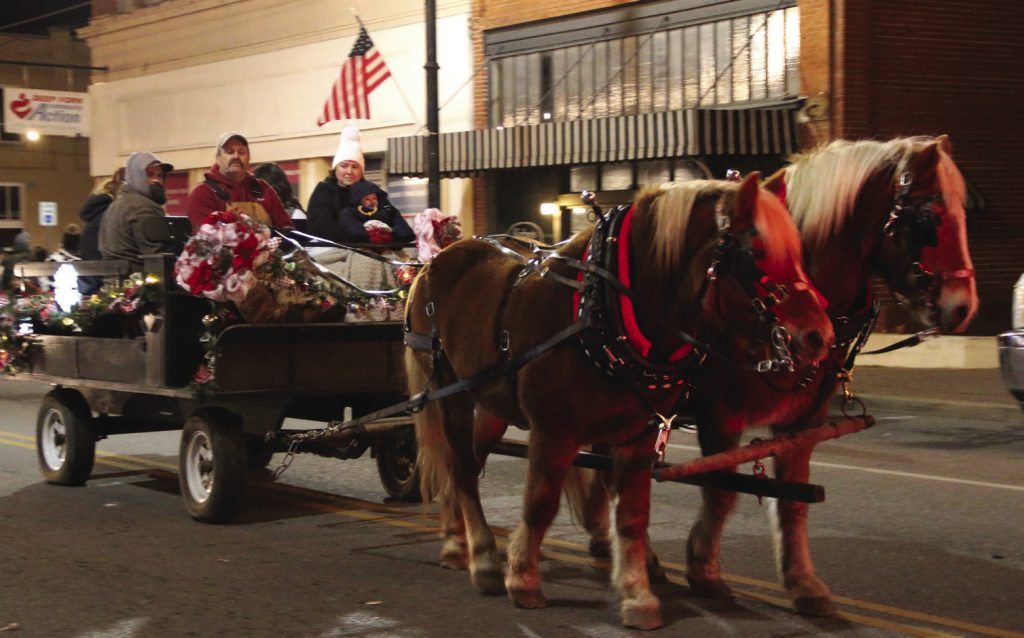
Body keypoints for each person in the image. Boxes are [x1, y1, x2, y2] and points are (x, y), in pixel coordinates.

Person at [306, 127, 413, 244]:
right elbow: (321, 225)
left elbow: (390, 216)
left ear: (361, 171)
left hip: (375, 247)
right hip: (335, 246)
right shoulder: (324, 190)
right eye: (344, 166)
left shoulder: (372, 191)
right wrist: (355, 244)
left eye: (355, 167)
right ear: (335, 168)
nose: (349, 171)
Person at [186, 132, 293, 231]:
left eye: (242, 152)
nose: (236, 156)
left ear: (249, 158)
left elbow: (285, 228)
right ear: (217, 157)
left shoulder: (264, 189)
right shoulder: (203, 193)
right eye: (229, 151)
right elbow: (208, 240)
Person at [98, 151, 173, 272]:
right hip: (140, 281)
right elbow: (156, 256)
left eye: (159, 175)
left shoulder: (117, 204)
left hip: (116, 281)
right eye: (149, 175)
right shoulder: (142, 207)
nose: (156, 180)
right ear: (136, 176)